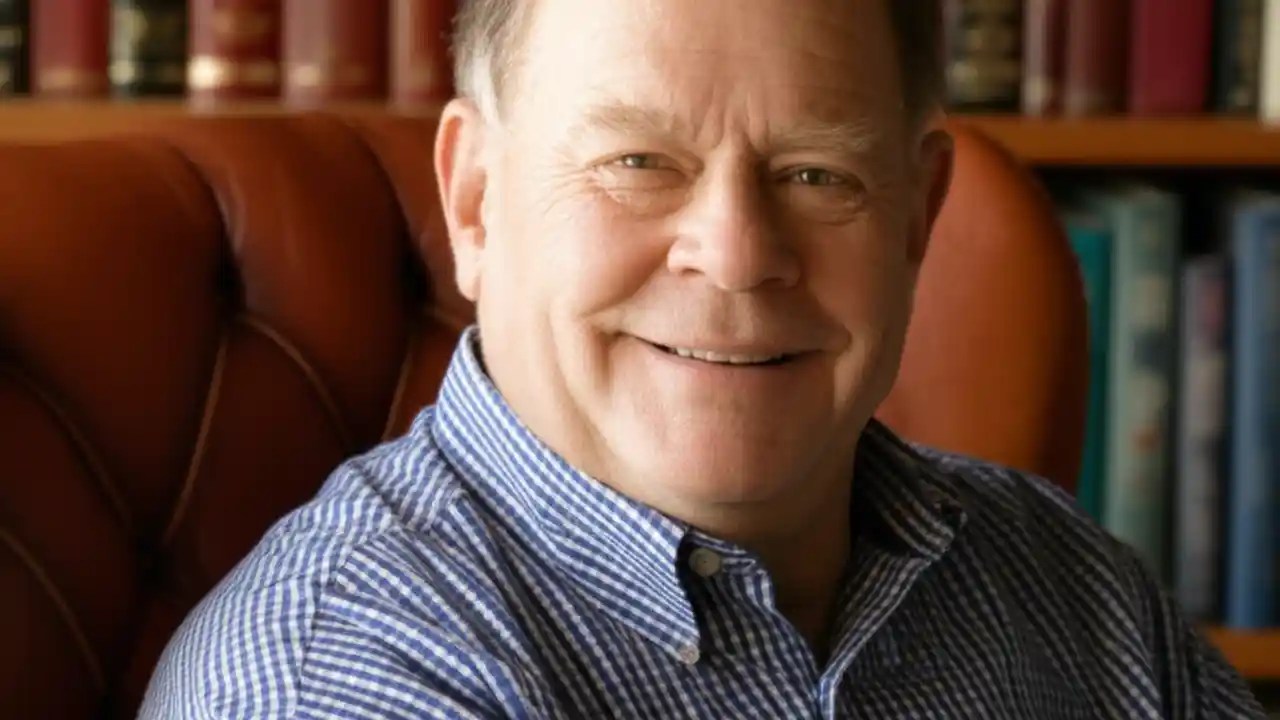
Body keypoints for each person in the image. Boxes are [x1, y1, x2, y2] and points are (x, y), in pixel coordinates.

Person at [140, 0, 1265, 717]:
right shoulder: (341, 679)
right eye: (638, 161)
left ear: (916, 219)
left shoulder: (1070, 587)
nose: (734, 257)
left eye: (816, 173)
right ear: (476, 203)